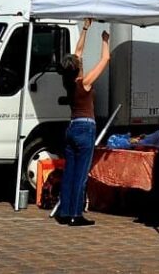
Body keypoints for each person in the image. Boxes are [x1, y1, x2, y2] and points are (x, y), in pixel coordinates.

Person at [56, 19, 110, 227]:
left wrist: (85, 28)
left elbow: (77, 52)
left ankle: (64, 211)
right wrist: (105, 39)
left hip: (71, 127)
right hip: (85, 128)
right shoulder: (85, 83)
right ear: (77, 67)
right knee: (81, 174)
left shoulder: (68, 82)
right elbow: (105, 58)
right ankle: (75, 215)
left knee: (69, 172)